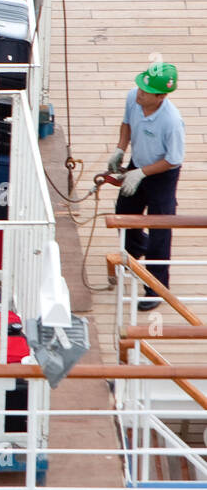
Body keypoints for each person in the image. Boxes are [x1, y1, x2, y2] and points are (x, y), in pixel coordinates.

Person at [106, 61, 184, 312]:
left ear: (161, 96)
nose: (139, 92)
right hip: (137, 164)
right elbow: (127, 123)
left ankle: (156, 287)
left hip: (162, 174)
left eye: (145, 91)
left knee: (160, 228)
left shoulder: (171, 122)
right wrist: (120, 148)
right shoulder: (134, 98)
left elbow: (173, 159)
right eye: (140, 87)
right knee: (124, 214)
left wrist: (141, 174)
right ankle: (137, 249)